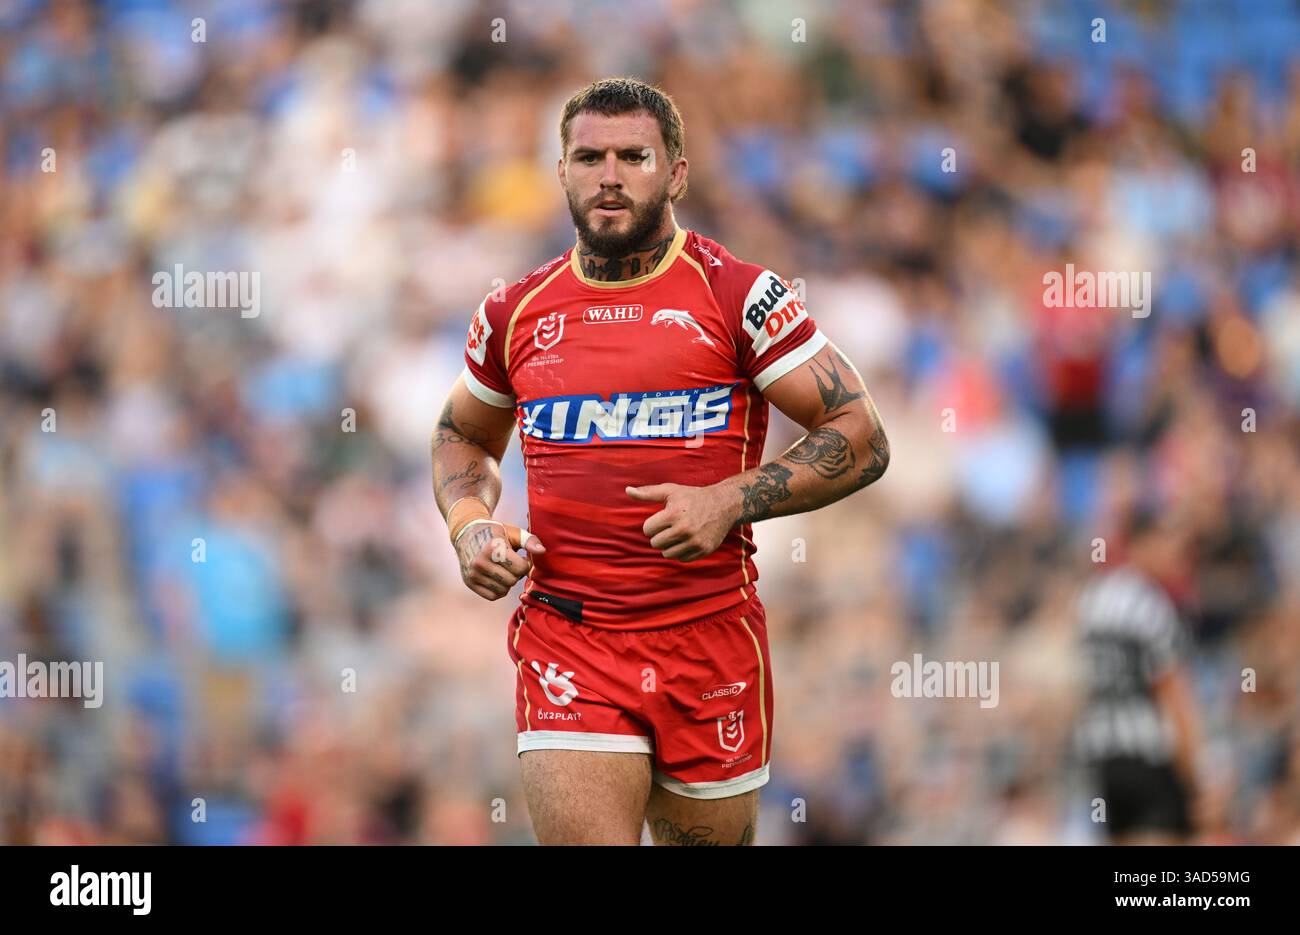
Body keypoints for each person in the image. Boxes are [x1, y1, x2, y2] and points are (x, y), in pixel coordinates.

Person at [431, 77, 890, 845]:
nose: (608, 175)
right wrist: (471, 524)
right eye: (589, 157)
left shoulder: (736, 295)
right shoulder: (515, 312)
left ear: (677, 171)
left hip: (708, 637)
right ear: (562, 171)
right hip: (570, 636)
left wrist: (731, 500)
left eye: (633, 156)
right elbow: (462, 436)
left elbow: (864, 435)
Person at [1074, 507, 1202, 844]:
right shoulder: (1152, 604)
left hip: (1104, 758)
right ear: (1141, 544)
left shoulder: (1093, 598)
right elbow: (1173, 693)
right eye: (1167, 540)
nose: (1176, 552)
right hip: (1149, 758)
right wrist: (1194, 778)